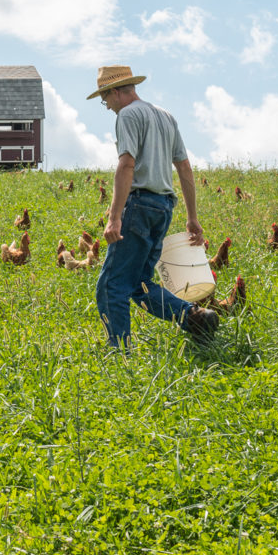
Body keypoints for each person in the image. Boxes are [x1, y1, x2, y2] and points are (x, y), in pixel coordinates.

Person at [87, 66, 218, 349]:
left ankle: (119, 352)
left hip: (138, 205)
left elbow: (127, 164)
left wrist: (114, 217)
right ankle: (194, 318)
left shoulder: (128, 115)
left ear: (115, 92)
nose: (106, 106)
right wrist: (192, 217)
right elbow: (184, 166)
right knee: (140, 284)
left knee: (111, 284)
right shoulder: (165, 116)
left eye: (104, 99)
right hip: (163, 207)